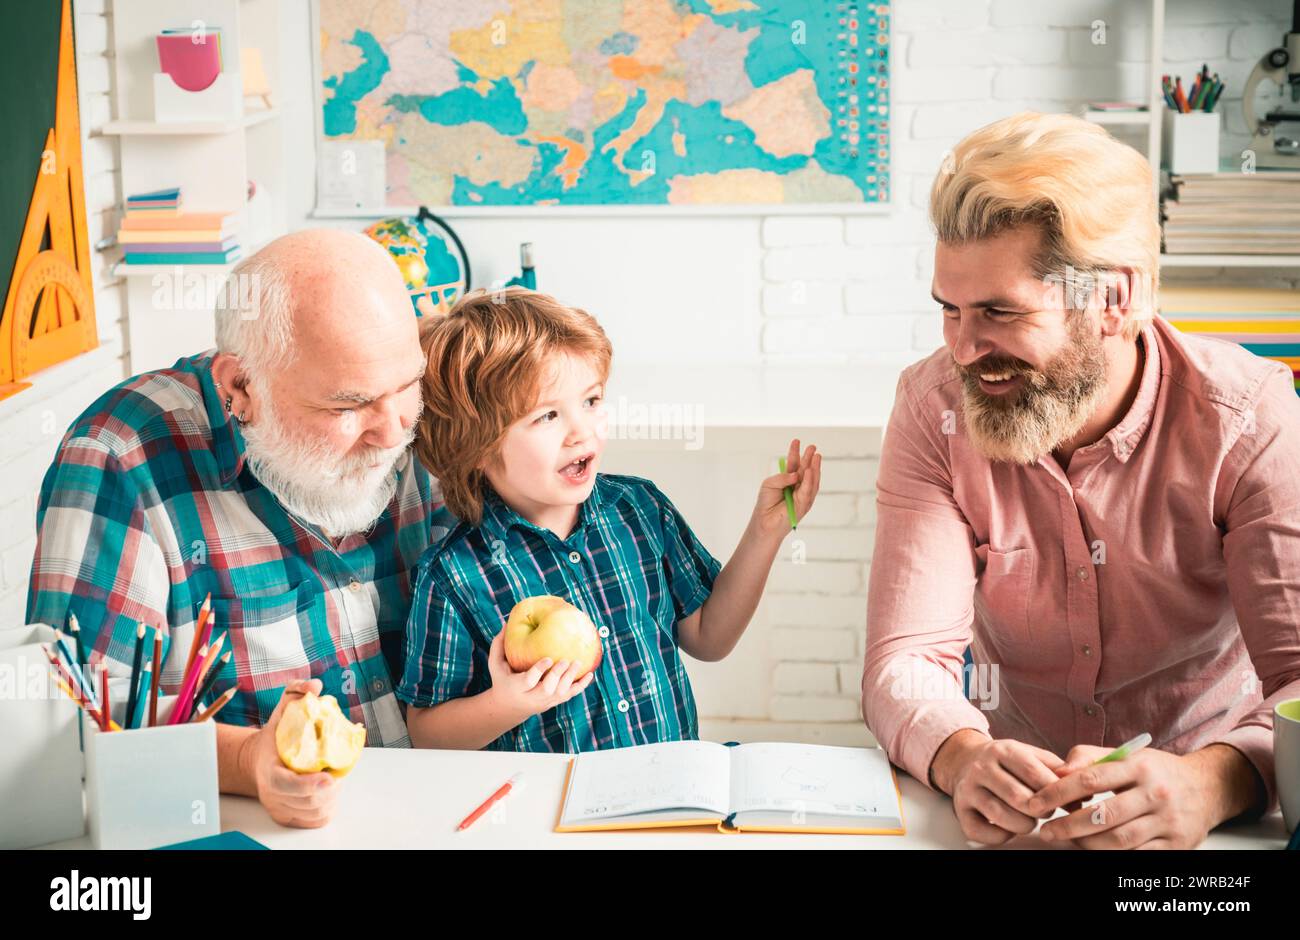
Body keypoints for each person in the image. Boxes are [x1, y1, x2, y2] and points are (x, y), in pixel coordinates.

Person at [862, 112, 1300, 849]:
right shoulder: (930, 407)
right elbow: (904, 661)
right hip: (1015, 824)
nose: (965, 350)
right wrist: (963, 757)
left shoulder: (1249, 418)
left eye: (1000, 312)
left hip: (1216, 824)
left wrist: (1212, 781)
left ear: (1113, 301)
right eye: (950, 311)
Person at [27, 229, 452, 828]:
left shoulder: (421, 411)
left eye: (407, 384)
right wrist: (250, 760)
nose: (394, 431)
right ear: (241, 387)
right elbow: (73, 720)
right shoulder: (118, 458)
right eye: (347, 405)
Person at [400, 287, 821, 751]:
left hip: (669, 796)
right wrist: (509, 703)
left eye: (591, 400)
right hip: (549, 815)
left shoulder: (639, 509)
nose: (581, 431)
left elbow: (709, 638)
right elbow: (427, 733)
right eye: (547, 416)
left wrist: (768, 531)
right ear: (475, 447)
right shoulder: (452, 575)